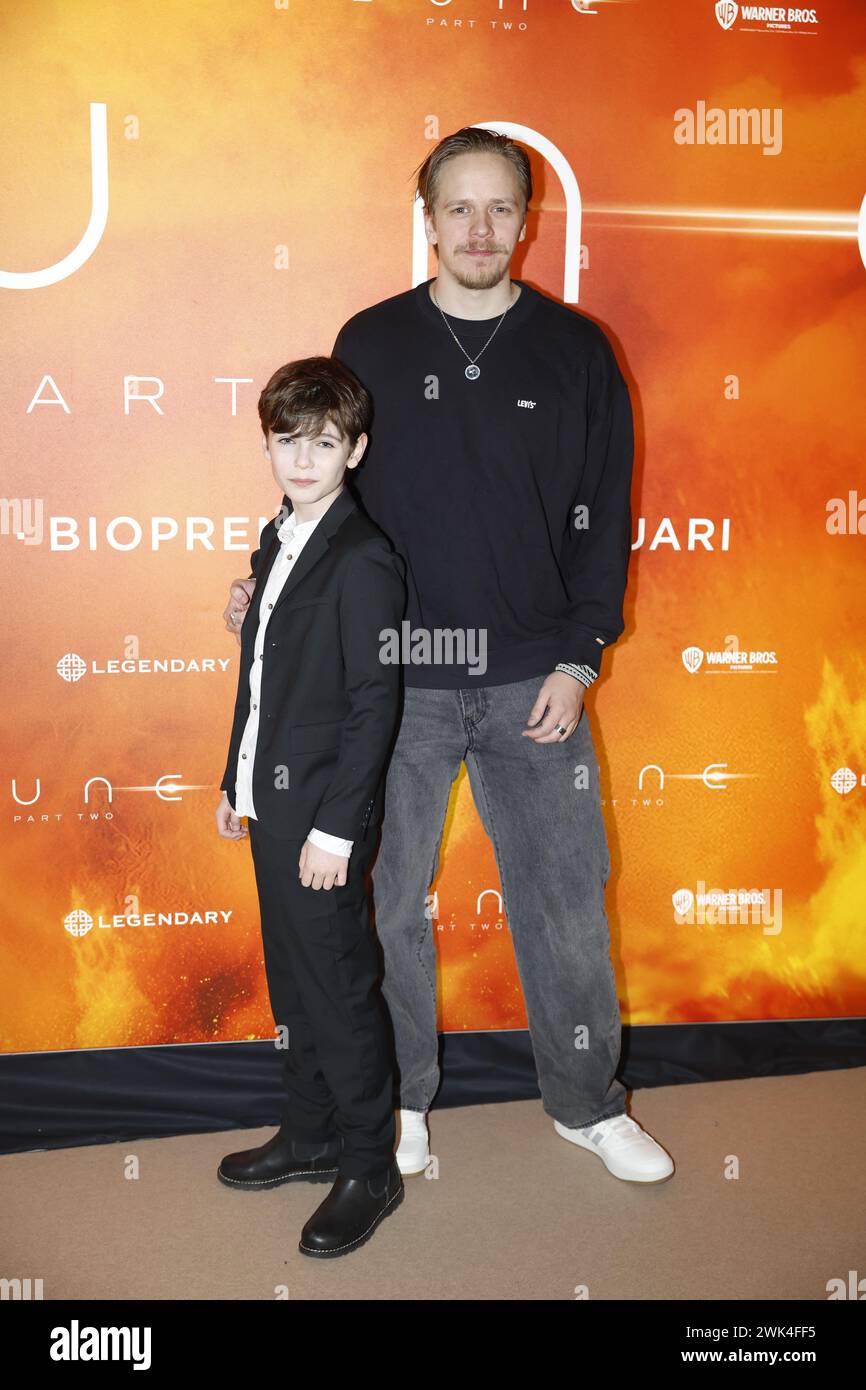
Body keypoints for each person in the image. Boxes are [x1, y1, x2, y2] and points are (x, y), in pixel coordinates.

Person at [223, 127, 674, 1186]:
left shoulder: (575, 351)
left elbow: (602, 518)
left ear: (528, 219)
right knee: (382, 910)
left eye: (500, 209)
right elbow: (326, 486)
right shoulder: (370, 340)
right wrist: (275, 578)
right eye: (457, 208)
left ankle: (584, 1104)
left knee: (564, 905)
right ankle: (398, 1105)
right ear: (426, 219)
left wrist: (578, 658)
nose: (479, 230)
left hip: (532, 681)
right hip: (395, 682)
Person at [215, 355, 409, 1256]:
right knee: (293, 981)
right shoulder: (278, 538)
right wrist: (236, 781)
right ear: (268, 444)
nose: (303, 459)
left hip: (325, 812)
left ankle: (372, 1163)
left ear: (354, 450)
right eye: (287, 441)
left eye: (323, 443)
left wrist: (336, 828)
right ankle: (311, 1130)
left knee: (337, 987)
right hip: (272, 800)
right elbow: (263, 679)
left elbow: (375, 704)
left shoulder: (364, 555)